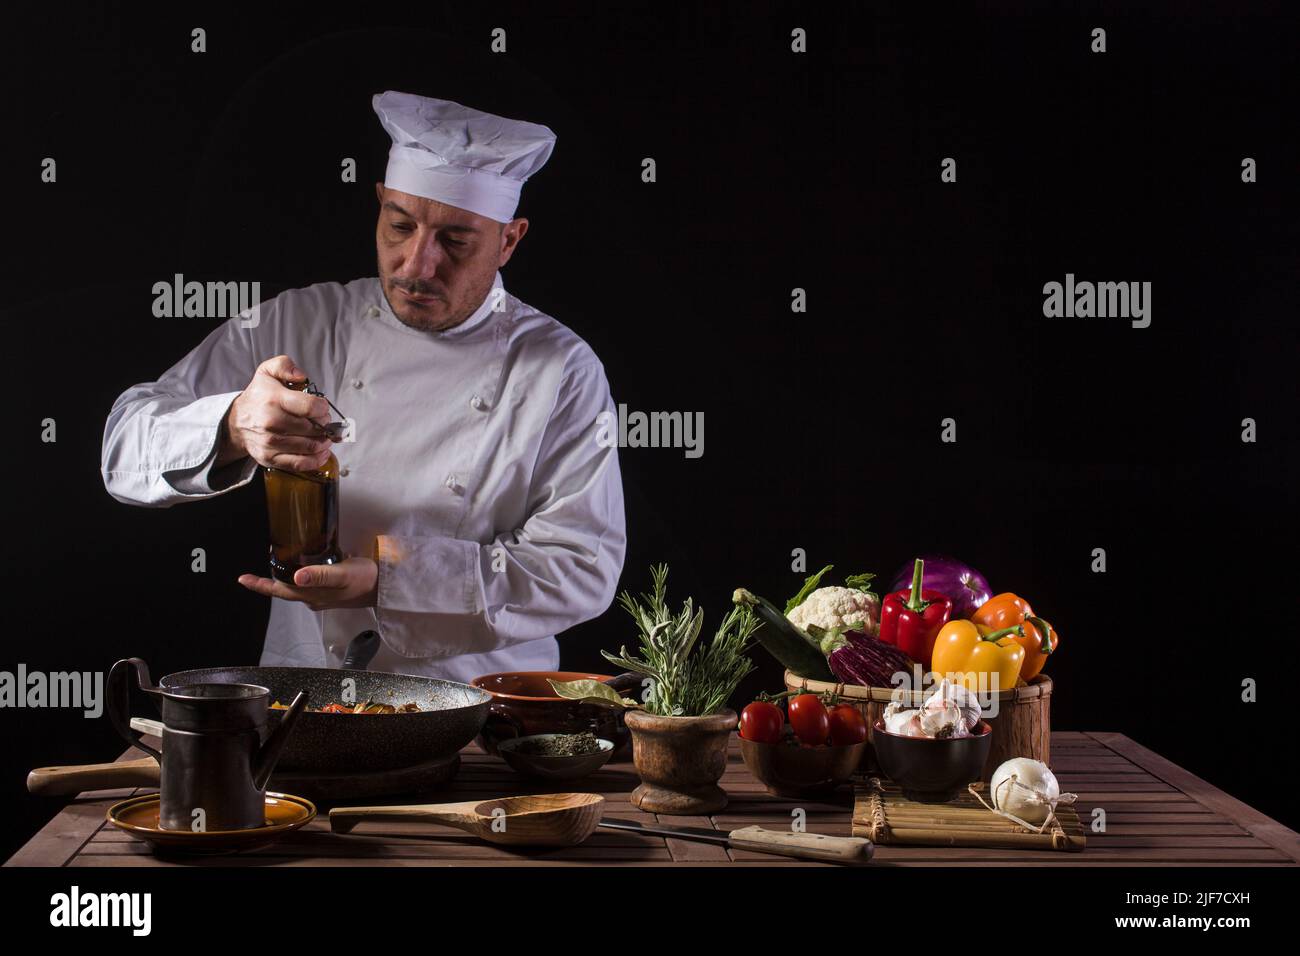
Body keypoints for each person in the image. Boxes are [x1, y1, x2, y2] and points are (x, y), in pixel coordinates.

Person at [101, 91, 627, 682]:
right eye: (399, 226)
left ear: (509, 239)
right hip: (306, 699)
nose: (416, 265)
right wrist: (232, 425)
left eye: (455, 241)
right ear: (379, 203)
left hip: (481, 709)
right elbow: (123, 450)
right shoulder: (295, 323)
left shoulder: (561, 368)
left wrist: (390, 579)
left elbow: (581, 567)